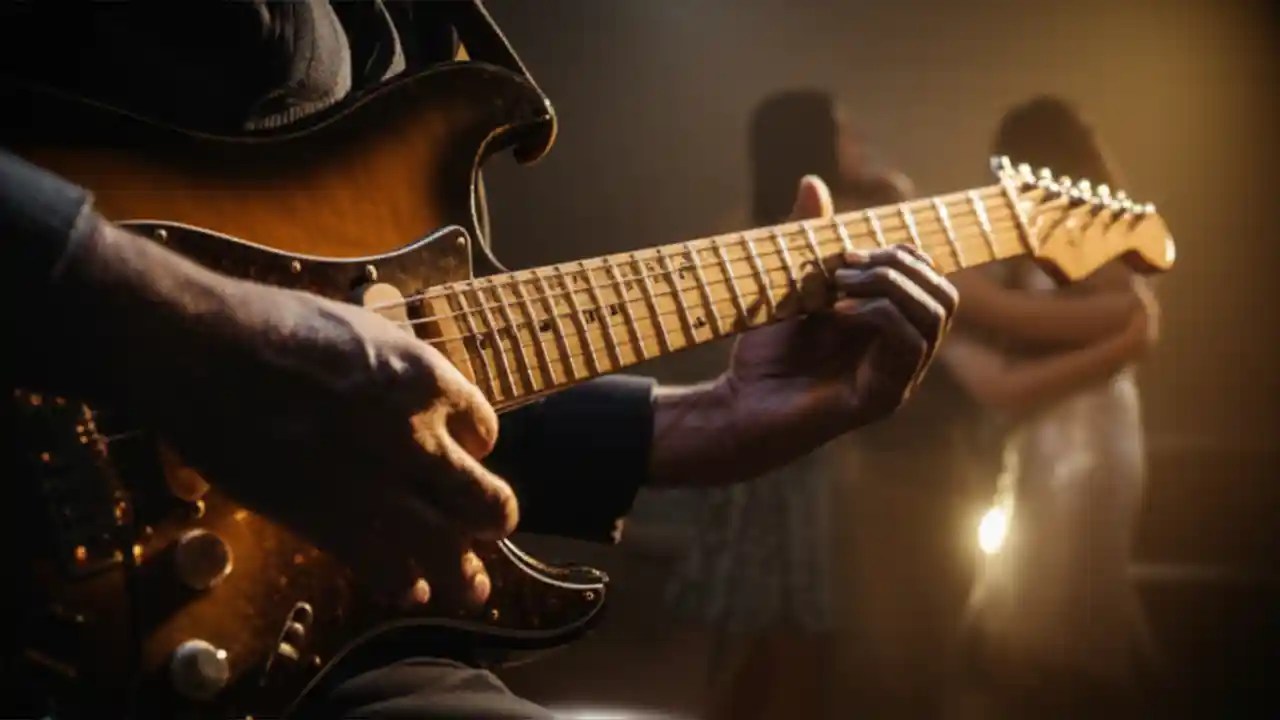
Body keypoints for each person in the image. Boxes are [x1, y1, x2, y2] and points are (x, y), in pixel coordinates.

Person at [1, 4, 958, 718]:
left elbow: (383, 368)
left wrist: (704, 417)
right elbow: (293, 367)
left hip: (298, 639)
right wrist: (187, 337)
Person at [662, 89, 926, 720]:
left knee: (771, 639)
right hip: (796, 455)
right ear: (812, 144)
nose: (857, 142)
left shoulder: (741, 226)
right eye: (843, 131)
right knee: (789, 643)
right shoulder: (826, 223)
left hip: (774, 457)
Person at [954, 95, 1161, 716]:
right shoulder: (1033, 239)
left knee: (1063, 611)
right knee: (1033, 607)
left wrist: (973, 304)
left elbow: (1128, 313)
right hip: (1053, 428)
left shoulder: (1095, 228)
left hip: (1088, 432)